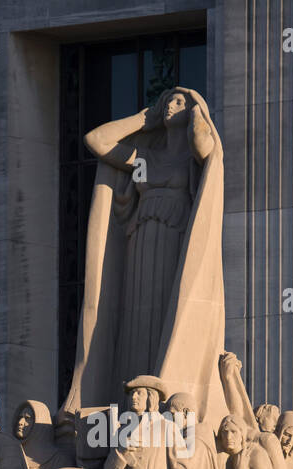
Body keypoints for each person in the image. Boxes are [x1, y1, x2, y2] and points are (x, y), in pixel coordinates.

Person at [61, 87, 229, 424]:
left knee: (169, 314)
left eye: (178, 102)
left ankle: (163, 399)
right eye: (167, 102)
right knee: (135, 323)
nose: (170, 107)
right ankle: (131, 404)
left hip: (174, 243)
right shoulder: (144, 157)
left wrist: (197, 112)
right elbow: (97, 140)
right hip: (140, 244)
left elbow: (205, 146)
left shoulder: (192, 159)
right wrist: (143, 119)